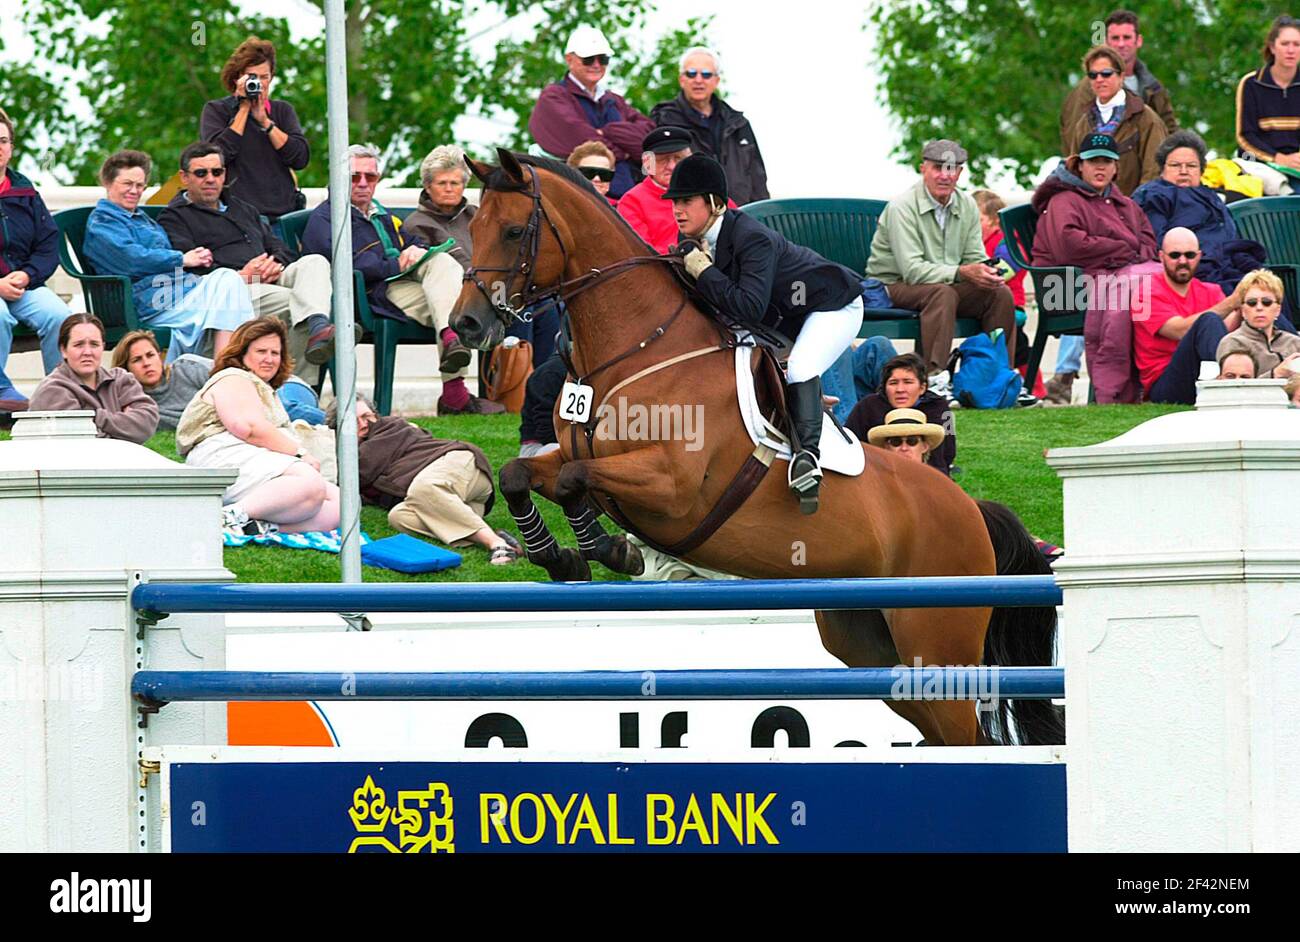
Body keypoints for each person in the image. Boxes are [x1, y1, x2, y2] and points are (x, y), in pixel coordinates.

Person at [667, 154, 864, 512]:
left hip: (833, 306)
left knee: (803, 368)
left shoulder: (750, 237)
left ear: (713, 202)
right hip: (784, 319)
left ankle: (807, 461)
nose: (677, 211)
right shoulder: (700, 241)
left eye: (686, 201)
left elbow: (748, 306)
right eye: (675, 202)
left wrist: (704, 273)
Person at [301, 144, 502, 415]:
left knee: (442, 264)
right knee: (454, 305)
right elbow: (339, 265)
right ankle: (455, 392)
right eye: (354, 177)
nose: (363, 184)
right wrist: (393, 263)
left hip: (403, 286)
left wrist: (416, 249)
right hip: (372, 295)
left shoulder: (380, 214)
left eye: (370, 177)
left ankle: (450, 340)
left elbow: (412, 240)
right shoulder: (327, 218)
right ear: (337, 178)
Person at [159, 142, 336, 373]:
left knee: (315, 262)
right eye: (201, 173)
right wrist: (242, 275)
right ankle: (296, 389)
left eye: (217, 172)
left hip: (269, 277)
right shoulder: (174, 218)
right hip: (234, 290)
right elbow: (192, 273)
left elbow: (279, 246)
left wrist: (274, 263)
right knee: (299, 302)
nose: (210, 179)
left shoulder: (241, 207)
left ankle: (318, 326)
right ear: (184, 177)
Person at [866, 139, 1017, 393]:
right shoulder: (902, 207)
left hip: (942, 285)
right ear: (923, 168)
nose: (945, 175)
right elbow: (912, 271)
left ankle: (999, 378)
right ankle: (934, 378)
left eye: (952, 168)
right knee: (941, 293)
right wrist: (962, 272)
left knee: (999, 293)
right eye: (938, 167)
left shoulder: (967, 203)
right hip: (891, 287)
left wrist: (984, 272)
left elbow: (973, 256)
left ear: (960, 172)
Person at [83, 150, 254, 362]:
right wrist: (182, 259)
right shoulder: (103, 223)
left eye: (140, 185)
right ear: (108, 183)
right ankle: (224, 370)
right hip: (144, 301)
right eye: (127, 184)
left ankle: (220, 369)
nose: (134, 191)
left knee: (230, 287)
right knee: (229, 284)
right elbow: (131, 259)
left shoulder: (141, 218)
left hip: (174, 291)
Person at [176, 318, 339, 536]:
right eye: (261, 351)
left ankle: (259, 527)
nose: (269, 359)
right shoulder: (233, 377)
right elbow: (247, 427)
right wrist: (300, 453)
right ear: (241, 354)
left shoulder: (265, 388)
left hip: (258, 462)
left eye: (275, 353)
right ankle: (226, 518)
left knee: (343, 503)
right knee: (308, 481)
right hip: (222, 454)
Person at [1031, 135, 1157, 403]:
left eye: (1107, 161)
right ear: (1080, 166)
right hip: (1063, 288)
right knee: (1126, 297)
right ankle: (1113, 391)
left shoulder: (1126, 204)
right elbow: (1069, 247)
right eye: (1093, 161)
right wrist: (1123, 251)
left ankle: (1152, 383)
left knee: (1154, 292)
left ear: (1116, 167)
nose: (1100, 168)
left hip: (1108, 280)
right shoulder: (1063, 200)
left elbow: (1148, 242)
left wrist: (1130, 256)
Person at [332, 394, 521, 565]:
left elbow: (356, 471)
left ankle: (496, 544)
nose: (364, 424)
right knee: (399, 516)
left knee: (423, 487)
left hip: (457, 463)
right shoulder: (358, 457)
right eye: (353, 422)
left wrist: (346, 445)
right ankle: (486, 532)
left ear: (376, 415)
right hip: (449, 497)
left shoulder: (389, 427)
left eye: (366, 417)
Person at [527, 25, 655, 199]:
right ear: (569, 59)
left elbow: (650, 137)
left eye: (603, 59)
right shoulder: (554, 96)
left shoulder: (614, 100)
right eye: (588, 59)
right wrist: (626, 150)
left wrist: (609, 131)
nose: (596, 65)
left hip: (628, 195)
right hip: (581, 198)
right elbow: (584, 146)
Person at [0, 106, 70, 413]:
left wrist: (27, 275)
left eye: (3, 141)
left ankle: (59, 392)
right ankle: (1, 391)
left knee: (60, 316)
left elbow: (47, 244)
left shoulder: (25, 191)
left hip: (23, 285)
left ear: (12, 148)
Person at [112, 328, 324, 430]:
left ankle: (343, 423)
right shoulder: (143, 406)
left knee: (284, 408)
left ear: (160, 356)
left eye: (150, 355)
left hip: (279, 384)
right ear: (126, 369)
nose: (147, 363)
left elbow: (238, 378)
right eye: (137, 360)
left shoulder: (186, 367)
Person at [199, 36, 310, 222]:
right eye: (252, 77)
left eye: (264, 77)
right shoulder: (217, 110)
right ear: (237, 78)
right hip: (238, 218)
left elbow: (300, 158)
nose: (258, 83)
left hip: (281, 216)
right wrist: (243, 109)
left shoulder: (282, 111)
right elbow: (217, 157)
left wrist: (265, 122)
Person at [1132, 229, 1245, 404]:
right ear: (1161, 256)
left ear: (1199, 256)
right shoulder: (1145, 292)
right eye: (1175, 255)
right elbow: (1179, 330)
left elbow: (1225, 334)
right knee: (1208, 320)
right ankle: (1227, 389)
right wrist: (1232, 302)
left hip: (1205, 373)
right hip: (1165, 384)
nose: (1183, 261)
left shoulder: (1211, 291)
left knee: (1266, 309)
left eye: (1190, 255)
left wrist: (1246, 309)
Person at [1131, 130, 1250, 296]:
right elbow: (1158, 243)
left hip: (1231, 265)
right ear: (1162, 169)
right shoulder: (1154, 195)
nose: (1184, 171)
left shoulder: (1210, 195)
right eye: (1175, 165)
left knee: (1266, 288)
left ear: (1201, 170)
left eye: (1191, 166)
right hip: (1194, 271)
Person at [650, 47, 770, 206]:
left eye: (706, 74)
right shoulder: (663, 119)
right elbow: (650, 172)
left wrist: (762, 216)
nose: (698, 80)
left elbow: (758, 178)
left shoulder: (738, 123)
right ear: (681, 80)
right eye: (691, 73)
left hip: (741, 216)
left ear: (716, 81)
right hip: (690, 218)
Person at [1060, 10, 1177, 155]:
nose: (1121, 44)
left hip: (1148, 171)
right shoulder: (1089, 88)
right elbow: (1074, 141)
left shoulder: (1153, 87)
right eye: (1115, 38)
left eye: (1126, 37)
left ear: (1138, 41)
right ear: (1106, 42)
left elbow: (1171, 133)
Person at [28, 313, 159, 443]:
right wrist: (125, 424)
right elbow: (85, 444)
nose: (87, 352)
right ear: (63, 350)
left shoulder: (121, 379)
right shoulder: (53, 389)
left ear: (103, 346)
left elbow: (146, 425)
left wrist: (97, 417)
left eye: (94, 344)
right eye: (79, 345)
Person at [1063, 44, 1166, 195]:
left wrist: (1134, 209)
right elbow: (1073, 172)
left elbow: (1154, 172)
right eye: (1093, 75)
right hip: (1091, 211)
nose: (1099, 79)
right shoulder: (1082, 123)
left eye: (1106, 73)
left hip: (1133, 210)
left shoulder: (1145, 117)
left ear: (1121, 76)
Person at [621, 126, 732, 253]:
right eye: (662, 160)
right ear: (648, 164)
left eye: (679, 158)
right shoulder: (631, 201)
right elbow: (640, 253)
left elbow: (735, 228)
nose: (672, 166)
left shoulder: (709, 188)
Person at [845, 353, 956, 476]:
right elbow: (849, 444)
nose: (900, 389)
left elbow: (949, 450)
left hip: (932, 476)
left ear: (922, 388)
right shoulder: (867, 406)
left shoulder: (941, 408)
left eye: (908, 382)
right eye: (893, 383)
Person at [1235, 15, 1300, 186]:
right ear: (1272, 47)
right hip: (1258, 166)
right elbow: (1244, 136)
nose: (1291, 50)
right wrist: (1278, 158)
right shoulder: (1250, 83)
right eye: (1285, 44)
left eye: (1297, 44)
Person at [1216, 268, 1300, 380]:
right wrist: (1275, 374)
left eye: (1266, 302)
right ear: (1243, 310)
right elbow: (1235, 389)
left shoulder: (1294, 342)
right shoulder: (1233, 343)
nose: (1259, 307)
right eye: (1252, 303)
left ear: (1278, 310)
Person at [864, 407, 947, 468]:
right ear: (886, 447)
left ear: (925, 446)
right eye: (896, 442)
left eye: (912, 441)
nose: (904, 448)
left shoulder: (937, 483)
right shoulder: (877, 483)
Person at [567, 140, 620, 206]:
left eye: (604, 174)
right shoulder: (555, 206)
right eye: (588, 172)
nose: (597, 179)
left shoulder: (619, 210)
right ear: (571, 174)